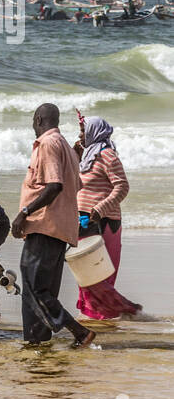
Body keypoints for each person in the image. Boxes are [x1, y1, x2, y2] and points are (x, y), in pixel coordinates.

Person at [11, 103, 96, 347]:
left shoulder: (47, 144)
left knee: (33, 289)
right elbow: (74, 186)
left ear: (38, 119)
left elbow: (54, 185)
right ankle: (37, 340)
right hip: (61, 228)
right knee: (44, 289)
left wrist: (24, 213)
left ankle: (78, 331)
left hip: (45, 225)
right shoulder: (67, 147)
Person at [74, 115, 141, 320]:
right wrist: (74, 155)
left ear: (95, 132)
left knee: (99, 273)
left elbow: (122, 187)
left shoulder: (108, 155)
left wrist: (101, 208)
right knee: (84, 272)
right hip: (84, 221)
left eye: (84, 131)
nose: (80, 135)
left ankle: (119, 311)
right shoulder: (85, 157)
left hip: (104, 222)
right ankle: (94, 314)